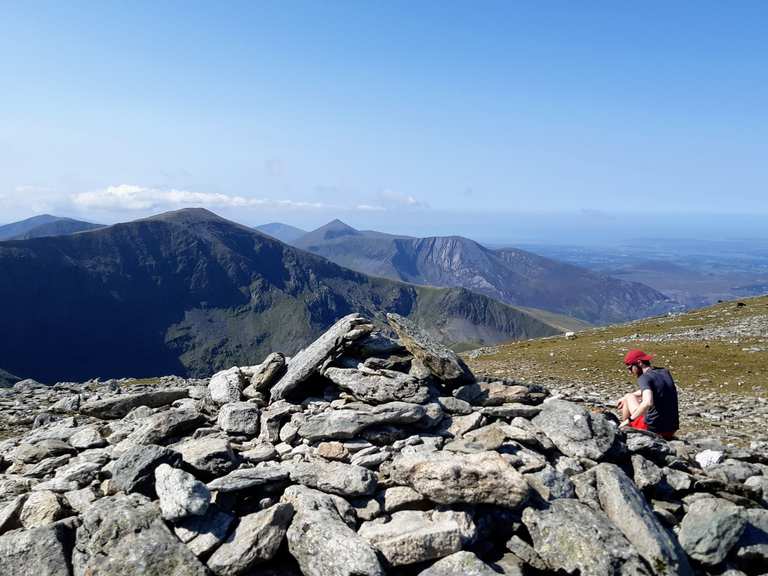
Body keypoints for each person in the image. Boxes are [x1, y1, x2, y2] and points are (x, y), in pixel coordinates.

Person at [617, 349, 679, 439]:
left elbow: (648, 402)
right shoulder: (664, 372)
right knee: (629, 397)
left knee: (628, 397)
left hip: (653, 429)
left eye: (630, 368)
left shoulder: (644, 377)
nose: (630, 372)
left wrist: (629, 420)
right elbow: (654, 389)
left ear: (639, 363)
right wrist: (632, 395)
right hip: (671, 429)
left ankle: (624, 430)